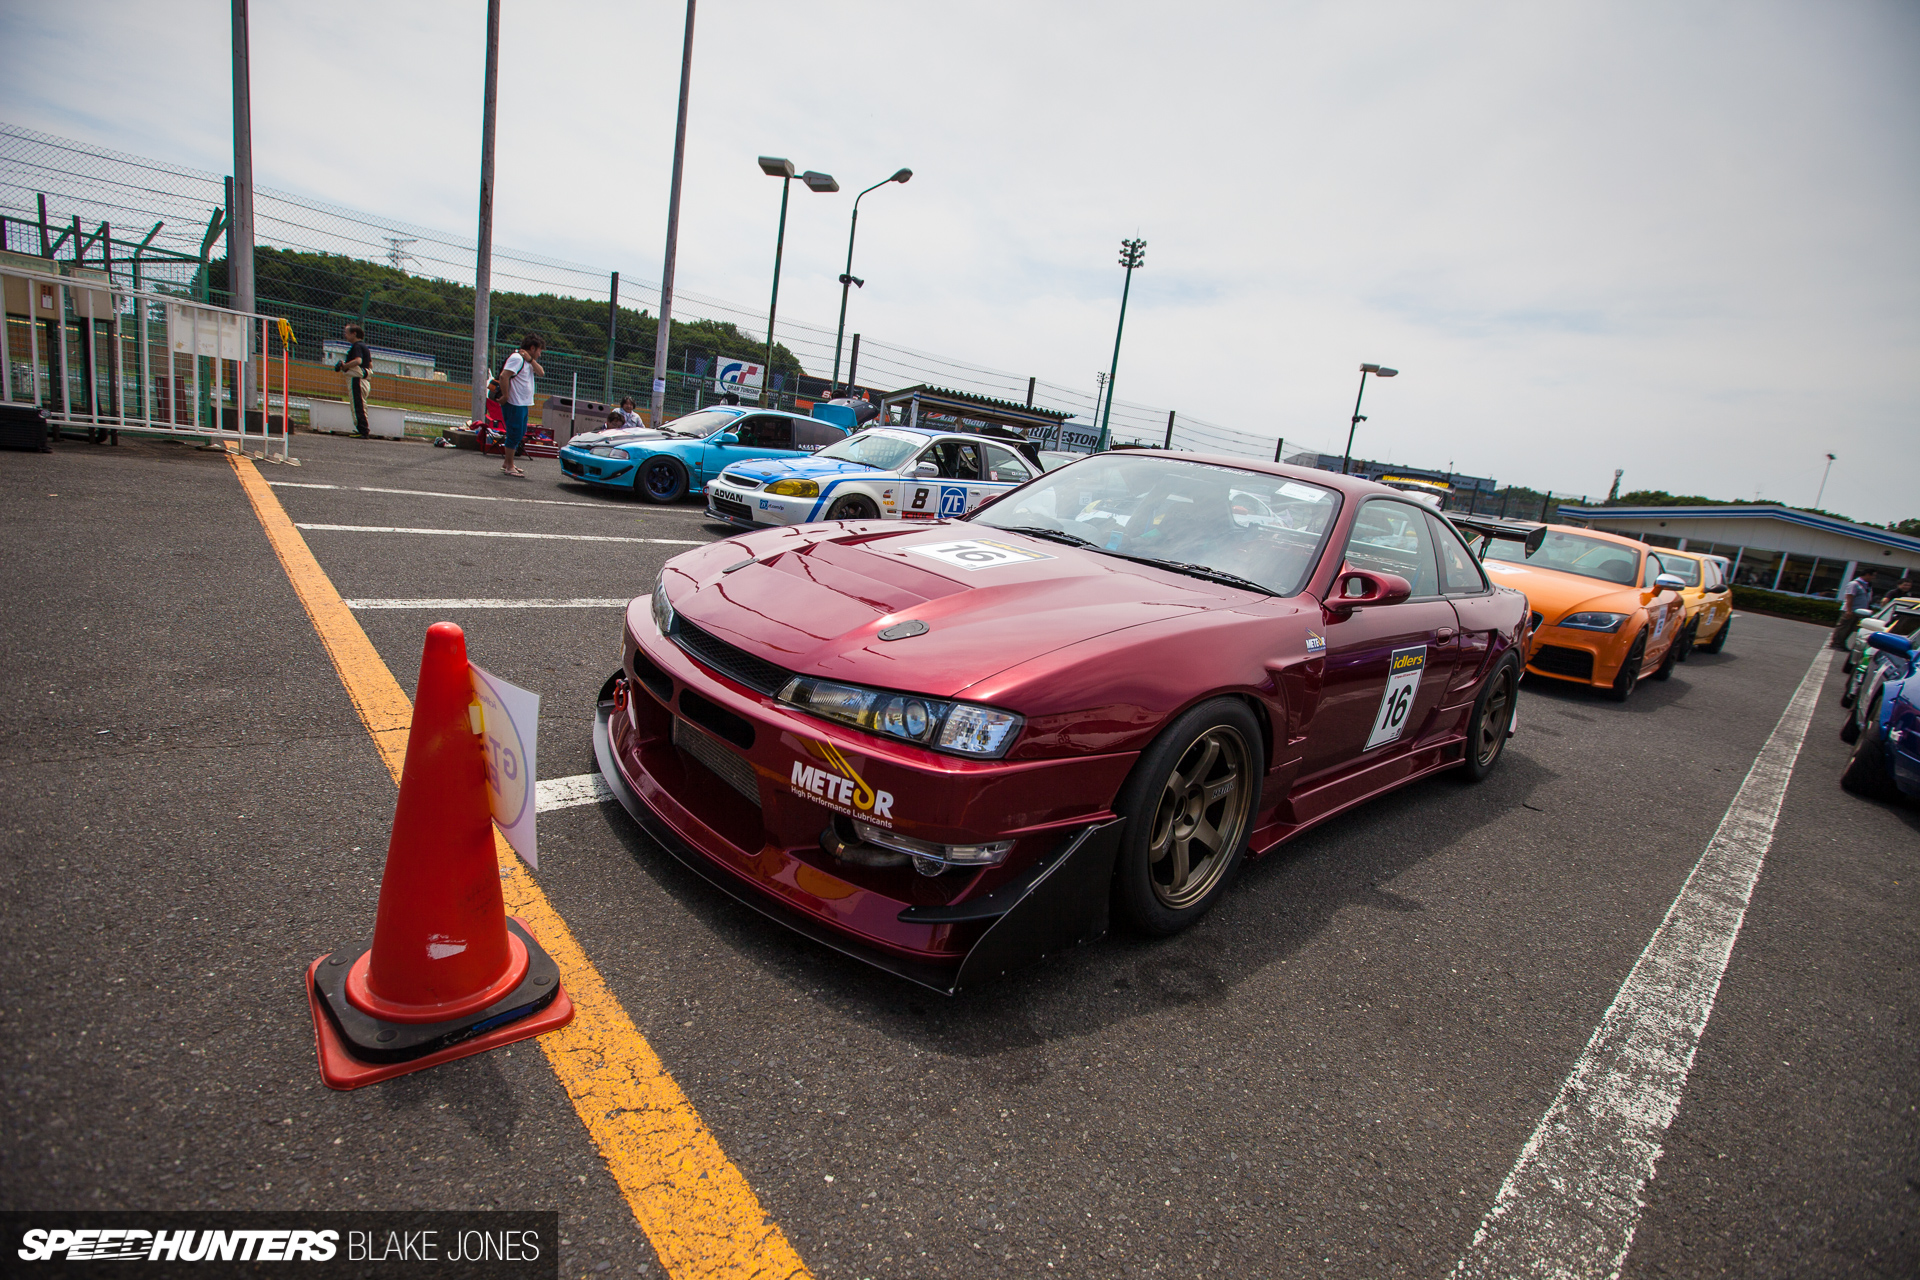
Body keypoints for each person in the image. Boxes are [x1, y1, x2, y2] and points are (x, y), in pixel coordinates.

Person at [496, 334, 544, 477]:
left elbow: (541, 372)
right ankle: (509, 466)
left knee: (520, 432)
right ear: (532, 348)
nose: (540, 354)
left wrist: (531, 360)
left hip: (523, 403)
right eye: (539, 351)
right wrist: (506, 396)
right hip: (514, 403)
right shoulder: (517, 358)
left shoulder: (528, 361)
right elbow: (504, 376)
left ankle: (507, 463)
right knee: (514, 433)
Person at [335, 323, 372, 437]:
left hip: (356, 380)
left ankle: (363, 430)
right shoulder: (364, 347)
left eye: (346, 333)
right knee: (362, 404)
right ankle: (362, 429)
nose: (345, 335)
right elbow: (370, 364)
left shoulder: (356, 346)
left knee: (357, 405)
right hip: (365, 379)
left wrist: (345, 366)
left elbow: (358, 361)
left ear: (354, 334)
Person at [1832, 571, 1873, 648]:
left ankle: (1841, 643)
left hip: (1858, 612)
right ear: (1867, 574)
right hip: (1851, 610)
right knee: (1843, 628)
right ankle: (1836, 643)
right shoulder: (1854, 584)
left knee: (1850, 629)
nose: (1873, 578)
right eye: (1873, 576)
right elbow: (1849, 597)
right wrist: (1849, 610)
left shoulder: (1866, 585)